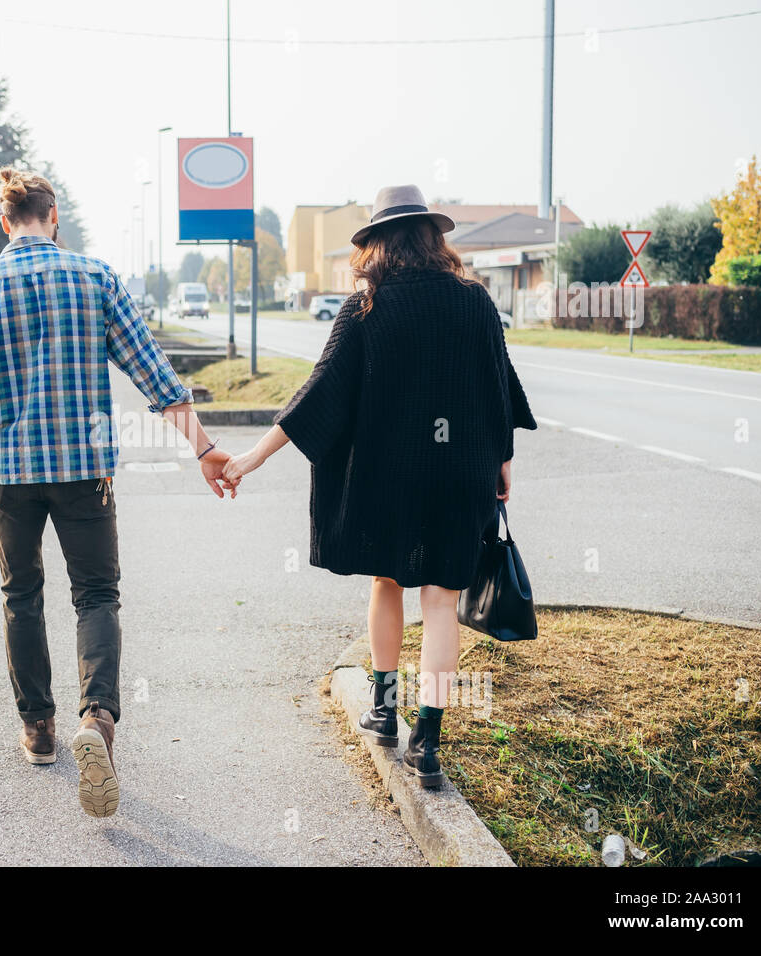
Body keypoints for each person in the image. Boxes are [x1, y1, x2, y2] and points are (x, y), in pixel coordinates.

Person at [0, 167, 236, 818]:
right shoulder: (95, 277)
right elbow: (155, 373)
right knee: (95, 595)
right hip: (84, 473)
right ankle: (97, 720)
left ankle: (39, 730)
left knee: (21, 594)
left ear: (5, 221)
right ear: (54, 219)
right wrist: (205, 447)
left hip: (9, 477)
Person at [223, 184, 536, 789]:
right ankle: (429, 741)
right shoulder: (475, 303)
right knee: (442, 601)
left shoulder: (367, 305)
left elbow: (318, 395)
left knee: (387, 580)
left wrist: (252, 458)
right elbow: (497, 390)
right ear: (431, 237)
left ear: (376, 245)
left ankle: (385, 709)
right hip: (459, 473)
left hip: (388, 476)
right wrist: (502, 462)